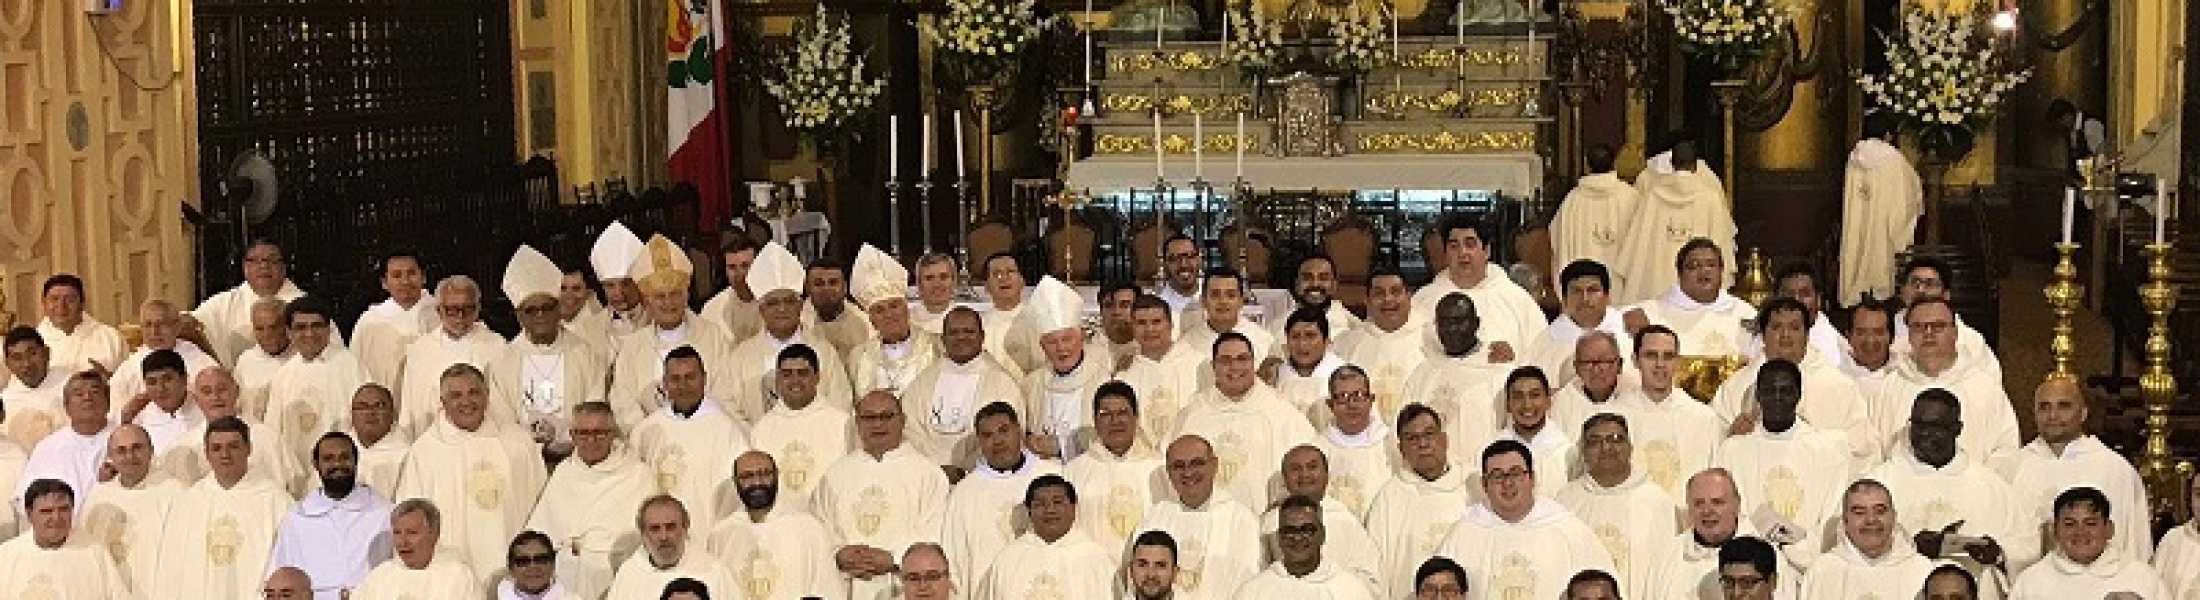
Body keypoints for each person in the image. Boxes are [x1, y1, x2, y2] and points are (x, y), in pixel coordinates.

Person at [394, 364, 549, 582]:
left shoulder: (518, 442)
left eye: (474, 393)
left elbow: (542, 504)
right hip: (452, 570)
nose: (466, 402)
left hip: (514, 563)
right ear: (443, 402)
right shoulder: (425, 452)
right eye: (456, 395)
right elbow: (410, 519)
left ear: (487, 396)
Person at [1864, 389, 2034, 571]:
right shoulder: (1881, 482)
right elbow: (1850, 541)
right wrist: (1908, 546)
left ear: (1957, 429)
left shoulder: (1991, 487)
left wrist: (1999, 554)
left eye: (1935, 426)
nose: (1924, 434)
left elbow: (2027, 544)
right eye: (1918, 425)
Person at [1711, 361, 1851, 569]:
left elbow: (1834, 515)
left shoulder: (1827, 451)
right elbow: (1725, 512)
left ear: (1798, 395)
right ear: (1758, 396)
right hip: (1749, 569)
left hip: (1809, 566)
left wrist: (1800, 550)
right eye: (1769, 390)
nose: (1777, 398)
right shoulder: (1733, 451)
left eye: (1785, 390)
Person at [811, 388, 950, 599]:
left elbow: (937, 528)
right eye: (869, 417)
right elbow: (817, 526)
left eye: (886, 416)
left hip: (899, 585)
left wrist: (895, 557)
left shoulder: (928, 474)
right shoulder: (835, 475)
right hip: (845, 586)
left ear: (902, 421)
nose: (878, 424)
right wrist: (837, 554)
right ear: (857, 423)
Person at [2002, 377, 2151, 569]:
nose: (2053, 415)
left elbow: (2133, 542)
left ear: (2083, 414)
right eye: (2044, 407)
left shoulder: (2114, 469)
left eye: (2064, 406)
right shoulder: (2012, 467)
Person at [1434, 440, 1614, 600]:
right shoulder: (1464, 533)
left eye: (1515, 473)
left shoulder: (1568, 530)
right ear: (1484, 485)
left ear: (1532, 478)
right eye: (1497, 476)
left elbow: (1604, 592)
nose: (1508, 483)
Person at [1710, 298, 1873, 461]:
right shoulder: (1736, 387)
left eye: (1795, 328)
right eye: (1776, 327)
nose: (1785, 335)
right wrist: (1731, 437)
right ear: (1763, 335)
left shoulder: (1840, 387)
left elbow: (1862, 448)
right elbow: (1713, 444)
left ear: (1807, 335)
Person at [607, 235, 744, 428]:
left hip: (706, 432)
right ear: (647, 301)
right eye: (660, 296)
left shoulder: (713, 337)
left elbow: (726, 393)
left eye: (675, 294)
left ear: (687, 296)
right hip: (652, 440)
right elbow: (623, 404)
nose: (668, 303)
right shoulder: (633, 347)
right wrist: (649, 433)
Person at [1168, 332, 1318, 508]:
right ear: (1213, 366)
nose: (1234, 367)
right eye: (1225, 361)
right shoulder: (1193, 413)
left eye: (1242, 359)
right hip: (1206, 520)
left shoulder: (1281, 412)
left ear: (1253, 363)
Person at [487, 245, 611, 452]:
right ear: (519, 315)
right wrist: (530, 448)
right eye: (531, 310)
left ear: (559, 309)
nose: (540, 316)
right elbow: (502, 420)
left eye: (547, 307)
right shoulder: (502, 362)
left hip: (577, 459)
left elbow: (594, 408)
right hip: (523, 459)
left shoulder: (585, 354)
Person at [154, 416, 296, 597]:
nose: (225, 455)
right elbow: (170, 567)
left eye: (233, 446)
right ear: (206, 454)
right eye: (216, 448)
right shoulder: (188, 503)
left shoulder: (277, 502)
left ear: (249, 448)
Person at [526, 401, 655, 598]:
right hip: (564, 576)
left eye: (599, 432)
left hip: (612, 576)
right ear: (573, 436)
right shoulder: (564, 471)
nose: (591, 440)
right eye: (583, 433)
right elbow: (541, 529)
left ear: (612, 434)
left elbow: (649, 535)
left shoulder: (638, 474)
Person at [1868, 297, 2019, 462]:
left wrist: (1978, 485)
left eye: (1938, 326)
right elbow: (1871, 451)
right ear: (1909, 335)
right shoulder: (1887, 389)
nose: (1928, 333)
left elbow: (2005, 451)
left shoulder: (1985, 389)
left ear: (1955, 333)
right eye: (1918, 327)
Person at [718, 242, 852, 421]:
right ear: (761, 309)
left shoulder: (824, 352)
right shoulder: (741, 357)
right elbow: (727, 407)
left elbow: (841, 404)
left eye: (789, 301)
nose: (782, 309)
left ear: (800, 305)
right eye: (773, 303)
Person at [1554, 414, 1679, 600]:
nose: (1606, 448)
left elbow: (1666, 570)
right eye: (1595, 441)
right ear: (1583, 451)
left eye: (1615, 439)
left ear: (1630, 448)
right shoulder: (1566, 501)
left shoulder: (1656, 501)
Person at [632, 346, 753, 533]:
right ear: (664, 383)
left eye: (690, 377)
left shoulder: (726, 430)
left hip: (707, 531)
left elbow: (735, 494)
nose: (683, 386)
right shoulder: (645, 430)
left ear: (704, 379)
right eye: (675, 379)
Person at [940, 401, 1062, 586]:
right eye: (988, 435)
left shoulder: (1054, 476)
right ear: (979, 442)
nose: (997, 441)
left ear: (1019, 432)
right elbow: (954, 561)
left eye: (1004, 431)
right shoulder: (964, 493)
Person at [1134, 434, 1263, 600]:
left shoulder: (1242, 520)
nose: (1188, 473)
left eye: (1196, 463)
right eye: (1178, 466)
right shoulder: (1155, 517)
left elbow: (1251, 584)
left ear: (1214, 465)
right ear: (1168, 473)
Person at [269, 432, 397, 598]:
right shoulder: (297, 520)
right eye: (328, 458)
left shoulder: (384, 513)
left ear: (356, 461)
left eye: (344, 457)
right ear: (316, 464)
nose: (337, 464)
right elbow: (282, 576)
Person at [1365, 403, 1474, 598]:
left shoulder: (1471, 488)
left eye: (1429, 434)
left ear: (1444, 439)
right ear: (1401, 449)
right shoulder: (1388, 500)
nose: (1423, 444)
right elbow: (1375, 572)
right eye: (1412, 438)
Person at [704, 450, 844, 600]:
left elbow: (827, 590)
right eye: (747, 476)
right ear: (735, 481)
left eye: (764, 474)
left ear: (776, 475)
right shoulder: (721, 536)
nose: (757, 483)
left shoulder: (807, 528)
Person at [898, 307, 1022, 469]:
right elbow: (909, 428)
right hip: (927, 474)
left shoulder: (1002, 382)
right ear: (943, 339)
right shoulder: (923, 381)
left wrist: (965, 469)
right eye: (954, 332)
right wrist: (933, 468)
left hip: (982, 475)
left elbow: (1009, 436)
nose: (961, 337)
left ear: (982, 336)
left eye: (968, 331)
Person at [1643, 469, 1795, 600]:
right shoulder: (1666, 557)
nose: (1707, 511)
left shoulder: (1768, 554)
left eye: (1717, 502)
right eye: (1698, 503)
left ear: (1737, 505)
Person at [1615, 140, 1733, 306]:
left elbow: (1635, 248)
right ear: (1695, 166)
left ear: (1671, 164)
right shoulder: (1710, 197)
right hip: (1700, 288)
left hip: (1655, 285)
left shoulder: (1652, 196)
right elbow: (1722, 244)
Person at [156, 367, 305, 493]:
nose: (215, 397)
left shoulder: (267, 438)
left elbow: (293, 488)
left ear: (236, 391)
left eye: (222, 390)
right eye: (207, 392)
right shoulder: (182, 446)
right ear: (196, 399)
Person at [1411, 215, 1542, 353]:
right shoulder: (1423, 301)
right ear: (1446, 254)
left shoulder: (1517, 300)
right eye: (1454, 246)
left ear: (1486, 251)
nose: (1463, 253)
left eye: (1470, 244)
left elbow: (1540, 355)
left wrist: (1511, 359)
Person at [971, 475, 1115, 599]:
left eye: (1057, 502)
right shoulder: (1008, 560)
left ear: (1073, 508)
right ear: (1029, 511)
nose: (1050, 510)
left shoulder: (1096, 560)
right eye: (1040, 504)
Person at [746, 344, 853, 510]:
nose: (795, 381)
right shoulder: (762, 429)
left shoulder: (842, 423)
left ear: (817, 377)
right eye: (787, 374)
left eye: (802, 373)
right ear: (778, 380)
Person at [1258, 446, 1382, 588]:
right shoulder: (1268, 524)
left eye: (1312, 467)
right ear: (1285, 478)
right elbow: (1260, 573)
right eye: (1295, 469)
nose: (1304, 475)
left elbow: (1370, 577)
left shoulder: (1347, 522)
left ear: (1326, 474)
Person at [1403, 294, 1510, 459]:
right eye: (1444, 322)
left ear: (1476, 323)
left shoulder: (1499, 373)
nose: (1452, 329)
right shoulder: (1423, 373)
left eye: (1459, 321)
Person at [1621, 325, 1723, 496]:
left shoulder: (1704, 418)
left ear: (1677, 362)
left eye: (1668, 356)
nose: (1660, 364)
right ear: (1635, 361)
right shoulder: (1614, 415)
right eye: (1651, 356)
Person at [2011, 487, 2166, 599]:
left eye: (2090, 523)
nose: (2080, 532)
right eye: (2070, 524)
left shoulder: (2142, 578)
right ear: (2055, 531)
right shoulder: (2031, 582)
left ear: (2109, 529)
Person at [1064, 381, 1164, 551]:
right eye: (1106, 414)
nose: (1115, 421)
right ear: (1095, 420)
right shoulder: (1073, 472)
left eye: (1122, 413)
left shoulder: (1159, 468)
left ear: (1136, 417)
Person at [264, 296, 368, 456]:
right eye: (300, 327)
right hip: (297, 465)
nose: (309, 333)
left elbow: (365, 421)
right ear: (289, 332)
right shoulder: (283, 374)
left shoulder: (351, 366)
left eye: (316, 326)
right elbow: (272, 430)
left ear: (328, 329)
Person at [1797, 479, 1936, 600]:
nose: (1871, 520)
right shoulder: (1822, 571)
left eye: (1880, 511)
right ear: (1845, 521)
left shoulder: (1921, 571)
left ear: (1894, 517)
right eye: (1860, 512)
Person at [1020, 276, 1110, 461]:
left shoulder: (1103, 381)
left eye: (1067, 339)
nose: (1061, 348)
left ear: (1082, 338)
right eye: (1052, 342)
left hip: (1086, 471)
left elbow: (1111, 435)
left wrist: (1061, 446)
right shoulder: (1031, 384)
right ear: (1042, 346)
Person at [186, 241, 319, 364]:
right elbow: (189, 323)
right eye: (255, 261)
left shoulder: (306, 306)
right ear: (245, 267)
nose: (263, 266)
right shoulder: (225, 303)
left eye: (272, 260)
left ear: (283, 267)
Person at [79, 424, 177, 590]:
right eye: (121, 451)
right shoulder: (99, 496)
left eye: (137, 448)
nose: (130, 456)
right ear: (111, 456)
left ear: (151, 451)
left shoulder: (175, 493)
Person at [1840, 113, 1924, 306]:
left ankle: (1855, 295)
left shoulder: (1854, 158)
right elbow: (1908, 196)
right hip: (1883, 229)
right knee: (1881, 259)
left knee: (1858, 252)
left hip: (1859, 225)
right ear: (1887, 134)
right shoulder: (1894, 159)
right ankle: (1882, 295)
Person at [1230, 494, 1381, 599]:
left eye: (1307, 530)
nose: (1297, 538)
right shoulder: (1253, 592)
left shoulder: (1350, 591)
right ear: (1279, 538)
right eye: (1289, 531)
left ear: (1322, 534)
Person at [1623, 238, 1756, 357]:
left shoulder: (1745, 313)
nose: (1704, 271)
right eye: (1694, 266)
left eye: (1711, 265)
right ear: (1679, 273)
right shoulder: (1650, 313)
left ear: (1721, 270)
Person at [0, 479, 132, 598]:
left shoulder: (94, 552)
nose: (56, 518)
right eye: (47, 511)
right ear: (29, 515)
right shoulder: (7, 556)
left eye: (63, 509)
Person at [1334, 268, 1428, 422]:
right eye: (1379, 293)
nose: (1388, 299)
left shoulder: (1430, 339)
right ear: (1367, 301)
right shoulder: (1346, 344)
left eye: (1395, 292)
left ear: (1409, 297)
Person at [16, 371, 115, 513]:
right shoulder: (48, 448)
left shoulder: (127, 439)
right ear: (66, 406)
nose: (87, 398)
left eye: (95, 392)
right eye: (78, 394)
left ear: (108, 401)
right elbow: (27, 500)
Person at [604, 495, 737, 600]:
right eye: (655, 529)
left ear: (685, 527)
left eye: (670, 527)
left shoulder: (715, 573)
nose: (663, 536)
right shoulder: (629, 574)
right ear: (643, 534)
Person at [1551, 146, 1642, 298]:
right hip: (1620, 286)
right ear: (1614, 164)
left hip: (1582, 288)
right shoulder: (1631, 197)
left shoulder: (1572, 200)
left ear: (1587, 165)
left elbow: (1557, 239)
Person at [846, 244, 936, 396]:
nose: (889, 314)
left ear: (907, 309)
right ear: (872, 320)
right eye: (879, 310)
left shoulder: (935, 347)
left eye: (894, 306)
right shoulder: (858, 358)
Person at [1114, 294, 1203, 447]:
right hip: (1143, 461)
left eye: (1156, 322)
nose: (1149, 330)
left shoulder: (1198, 365)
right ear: (1133, 328)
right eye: (1141, 323)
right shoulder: (1124, 375)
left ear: (1170, 325)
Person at [350, 499, 486, 598]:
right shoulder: (380, 577)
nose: (402, 542)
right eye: (397, 533)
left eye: (412, 533)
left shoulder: (459, 577)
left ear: (434, 534)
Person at [1525, 260, 1634, 383]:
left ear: (1607, 296)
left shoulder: (1629, 332)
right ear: (1564, 299)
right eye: (1576, 291)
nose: (1585, 299)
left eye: (1592, 290)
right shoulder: (1545, 344)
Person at [107, 299, 219, 413]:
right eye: (148, 325)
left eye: (161, 324)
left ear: (177, 326)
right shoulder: (127, 370)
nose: (154, 332)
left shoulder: (201, 362)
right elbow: (116, 413)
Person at [1309, 366, 1393, 515]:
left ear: (1371, 400)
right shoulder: (1317, 450)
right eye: (1342, 397)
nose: (1351, 405)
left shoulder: (1391, 445)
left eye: (1358, 395)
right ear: (1330, 405)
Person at [351, 252, 438, 388]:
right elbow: (355, 368)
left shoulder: (441, 314)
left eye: (411, 273)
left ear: (423, 277)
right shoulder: (370, 320)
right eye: (397, 275)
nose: (405, 281)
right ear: (384, 283)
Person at [1494, 367, 1574, 497]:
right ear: (1508, 404)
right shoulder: (1491, 453)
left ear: (1548, 401)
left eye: (1535, 395)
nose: (1527, 405)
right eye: (1518, 397)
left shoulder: (1568, 454)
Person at [1178, 270, 1275, 366]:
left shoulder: (1264, 342)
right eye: (1215, 295)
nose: (1223, 301)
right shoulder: (1187, 344)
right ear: (1203, 301)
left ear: (1241, 301)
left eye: (1231, 295)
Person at [116, 348, 204, 454]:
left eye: (167, 379)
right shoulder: (139, 421)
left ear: (184, 379)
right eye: (152, 382)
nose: (160, 388)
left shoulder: (206, 409)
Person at [1266, 255, 1360, 352]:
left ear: (1334, 286)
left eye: (1323, 278)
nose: (1315, 284)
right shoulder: (1275, 329)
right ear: (1297, 285)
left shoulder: (1354, 329)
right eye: (1307, 278)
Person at [35, 274, 125, 374]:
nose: (61, 306)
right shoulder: (34, 343)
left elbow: (129, 382)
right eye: (54, 299)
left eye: (69, 300)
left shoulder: (110, 337)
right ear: (44, 303)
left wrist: (109, 378)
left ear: (82, 304)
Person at [578, 221, 646, 349]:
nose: (619, 292)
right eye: (610, 286)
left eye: (625, 284)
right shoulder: (588, 330)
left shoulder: (657, 321)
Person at [1548, 331, 1628, 440]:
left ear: (1619, 365)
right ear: (1576, 367)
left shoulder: (1633, 396)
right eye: (1587, 362)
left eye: (1603, 362)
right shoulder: (1561, 402)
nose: (1596, 370)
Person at [1267, 306, 1346, 415]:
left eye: (1310, 336)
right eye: (1295, 336)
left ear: (1327, 342)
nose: (1302, 344)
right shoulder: (1273, 376)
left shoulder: (1344, 376)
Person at [3, 326, 67, 448]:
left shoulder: (73, 388)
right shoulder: (5, 401)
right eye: (17, 358)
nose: (26, 364)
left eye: (32, 354)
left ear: (46, 353)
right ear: (8, 364)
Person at [800, 257, 877, 359]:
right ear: (808, 288)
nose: (826, 289)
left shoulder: (866, 325)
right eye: (819, 284)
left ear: (845, 287)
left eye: (833, 283)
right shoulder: (798, 322)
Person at [344, 384, 411, 497]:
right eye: (362, 406)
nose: (370, 412)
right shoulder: (338, 451)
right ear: (352, 414)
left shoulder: (407, 456)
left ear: (392, 413)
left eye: (379, 406)